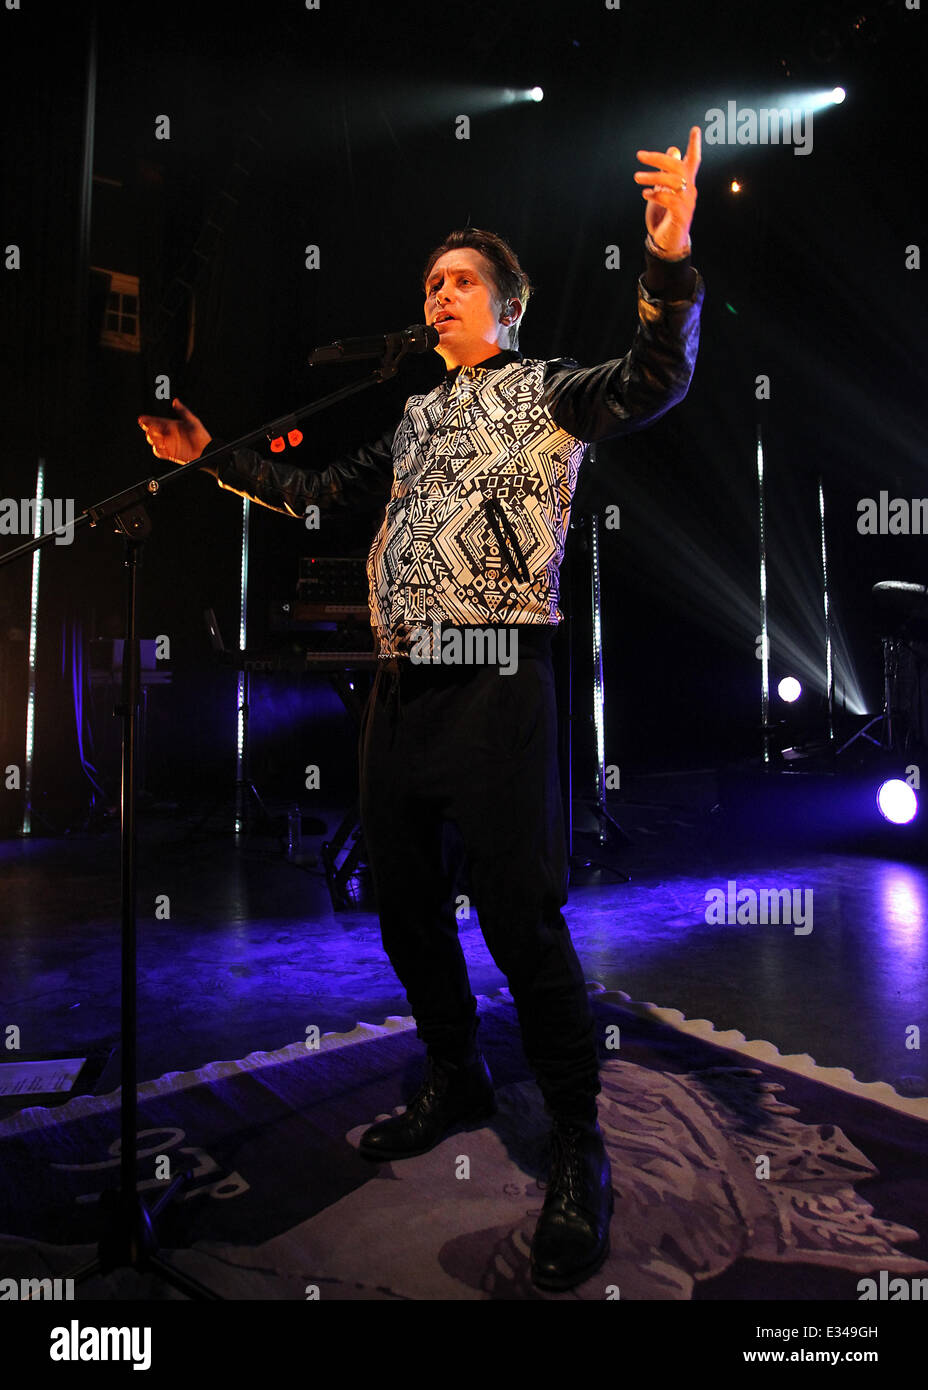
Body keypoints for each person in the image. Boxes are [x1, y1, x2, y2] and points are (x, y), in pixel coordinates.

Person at [139, 128, 704, 1291]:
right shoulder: (410, 421)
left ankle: (576, 1146)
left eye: (458, 282)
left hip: (497, 676)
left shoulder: (548, 393)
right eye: (429, 283)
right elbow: (307, 496)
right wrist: (212, 461)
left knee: (519, 920)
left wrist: (668, 263)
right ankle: (454, 1075)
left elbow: (658, 376)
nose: (437, 294)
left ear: (506, 305)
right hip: (402, 687)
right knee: (402, 907)